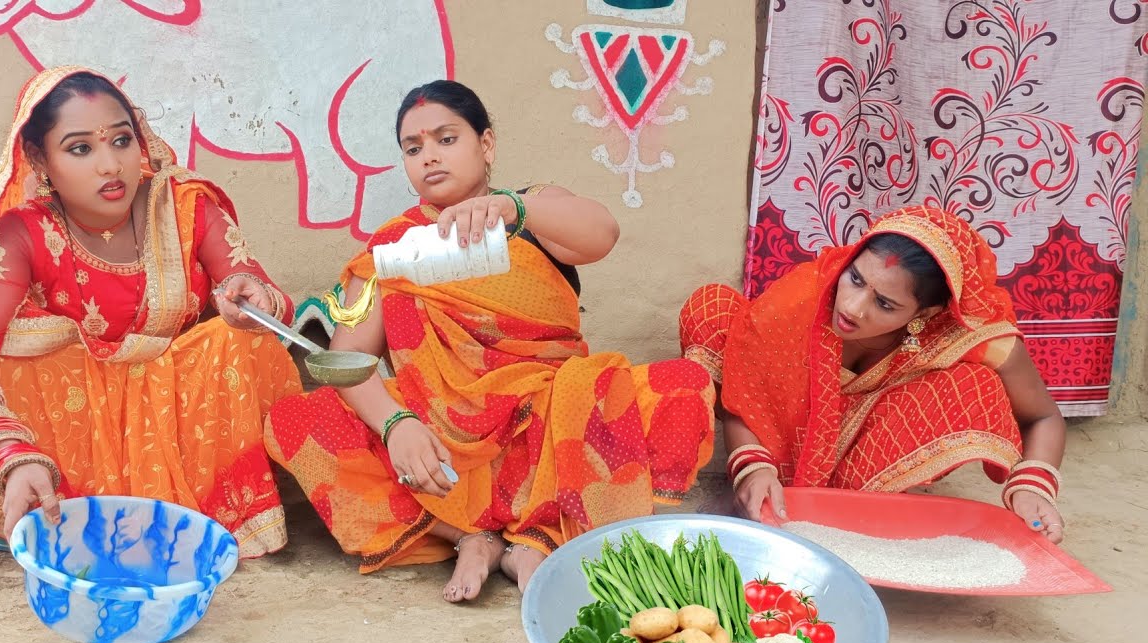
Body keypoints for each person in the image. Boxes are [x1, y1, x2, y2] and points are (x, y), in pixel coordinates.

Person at [265, 80, 716, 602]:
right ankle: (468, 537)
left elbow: (602, 234)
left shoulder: (532, 211)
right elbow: (346, 360)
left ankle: (538, 535)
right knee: (295, 422)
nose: (429, 156)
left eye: (446, 139)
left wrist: (513, 210)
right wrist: (395, 424)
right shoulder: (392, 248)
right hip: (443, 445)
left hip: (546, 423)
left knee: (682, 385)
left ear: (487, 145)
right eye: (413, 148)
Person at [0, 67, 303, 558]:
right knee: (7, 357)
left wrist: (252, 300)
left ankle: (210, 504)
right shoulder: (22, 233)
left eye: (121, 141)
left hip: (176, 409)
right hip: (74, 423)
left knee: (243, 341)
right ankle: (37, 487)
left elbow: (266, 296)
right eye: (81, 148)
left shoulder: (187, 207)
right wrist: (9, 454)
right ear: (39, 158)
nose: (110, 165)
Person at [680, 206, 1068, 542]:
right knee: (712, 309)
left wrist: (1033, 486)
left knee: (974, 385)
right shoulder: (800, 300)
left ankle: (846, 504)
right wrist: (752, 468)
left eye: (884, 303)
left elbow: (1044, 417)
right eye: (855, 279)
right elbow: (746, 397)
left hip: (864, 440)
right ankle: (769, 486)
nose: (852, 307)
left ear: (924, 315)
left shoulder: (968, 336)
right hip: (783, 425)